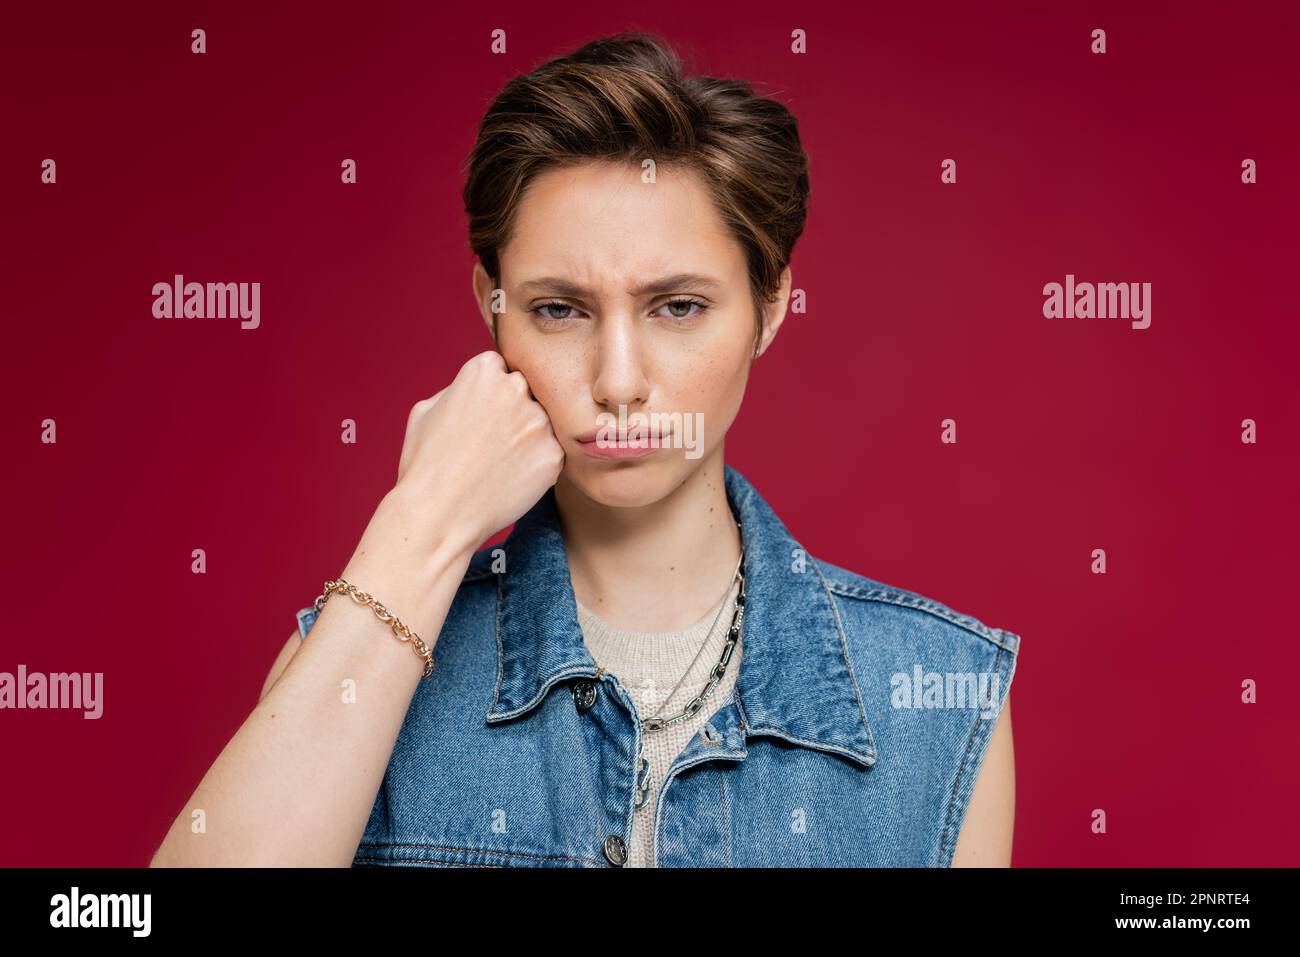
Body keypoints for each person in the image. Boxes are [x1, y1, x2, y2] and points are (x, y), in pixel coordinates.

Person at [151, 31, 1019, 868]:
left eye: (677, 306)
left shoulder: (936, 692)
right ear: (492, 305)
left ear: (772, 305)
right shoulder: (354, 653)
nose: (618, 380)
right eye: (559, 308)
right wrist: (424, 521)